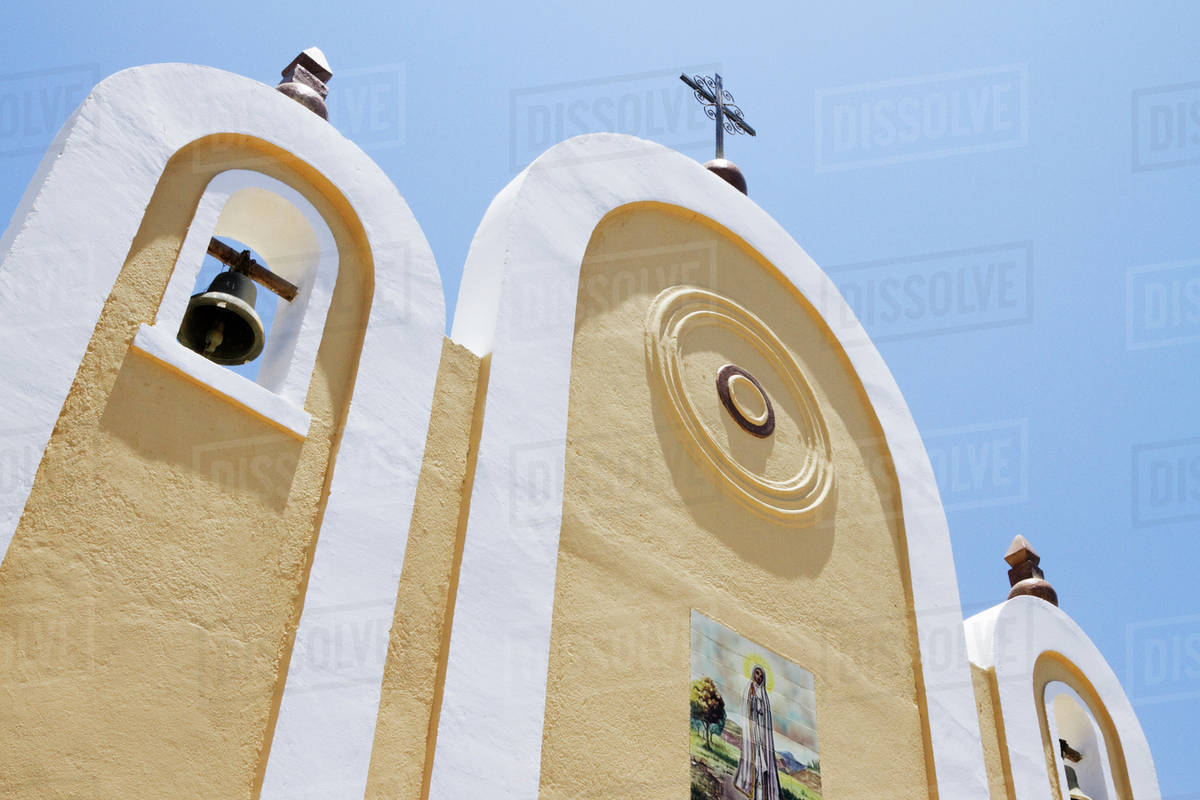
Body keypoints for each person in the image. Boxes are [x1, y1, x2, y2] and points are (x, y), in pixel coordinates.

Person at [733, 664, 782, 800]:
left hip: (761, 732)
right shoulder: (749, 688)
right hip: (753, 730)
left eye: (761, 675)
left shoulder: (764, 695)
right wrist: (752, 699)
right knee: (755, 761)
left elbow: (766, 717)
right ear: (753, 674)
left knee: (763, 765)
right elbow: (746, 708)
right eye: (757, 673)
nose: (759, 677)